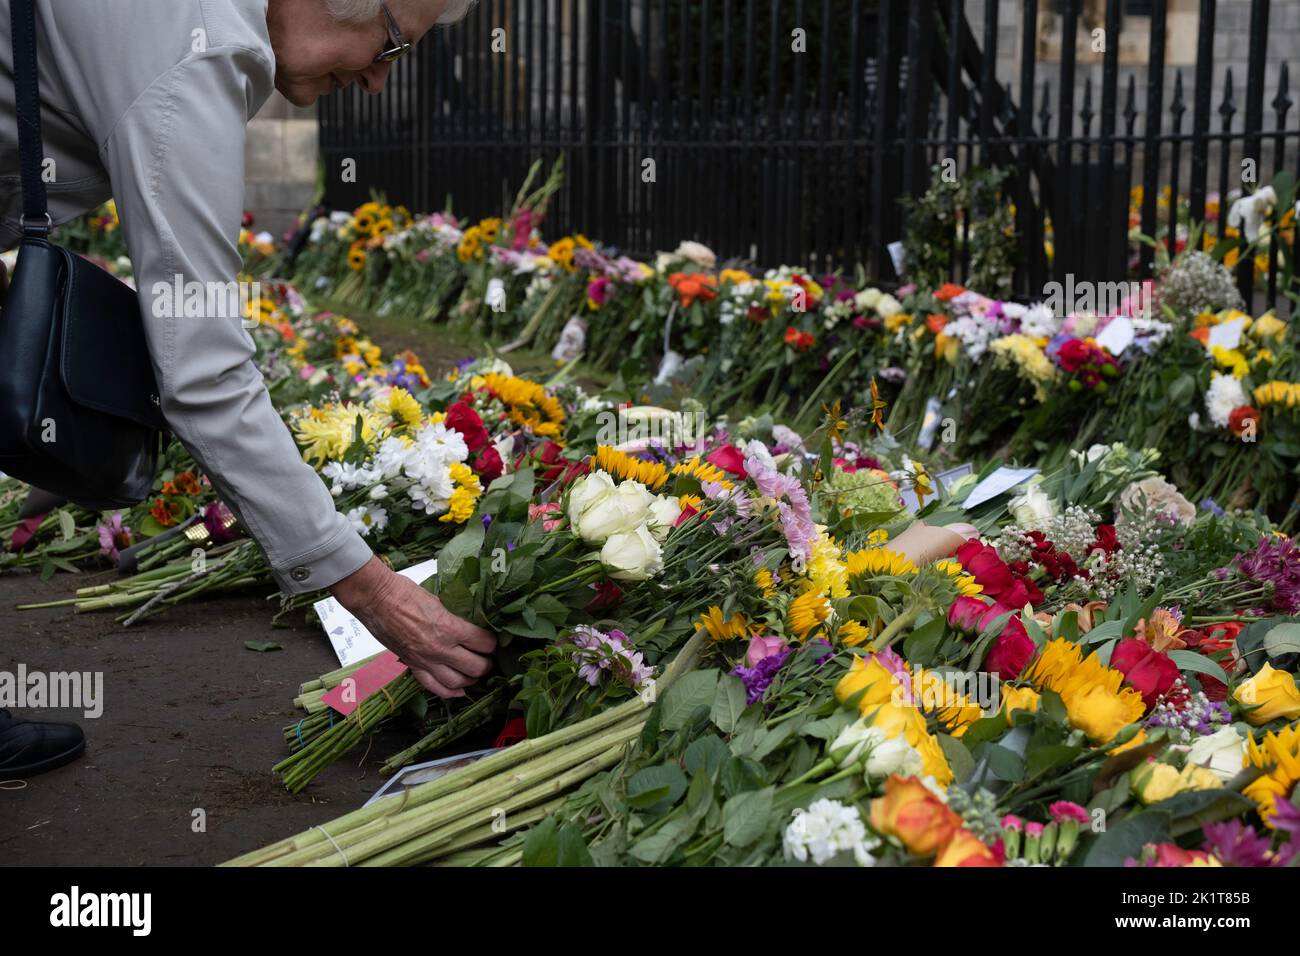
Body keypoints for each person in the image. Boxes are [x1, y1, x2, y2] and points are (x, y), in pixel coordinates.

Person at [0, 0, 493, 781]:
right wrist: (374, 593)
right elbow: (203, 374)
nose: (373, 79)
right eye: (393, 45)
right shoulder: (195, 53)